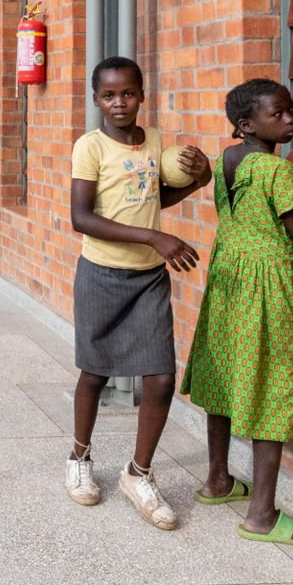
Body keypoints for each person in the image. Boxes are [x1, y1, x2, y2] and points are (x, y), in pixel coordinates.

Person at [185, 79, 293, 547]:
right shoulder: (278, 171)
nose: (290, 120)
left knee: (224, 375)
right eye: (277, 114)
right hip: (269, 288)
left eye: (290, 110)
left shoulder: (227, 160)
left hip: (229, 280)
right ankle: (261, 514)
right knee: (271, 387)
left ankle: (218, 479)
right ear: (247, 124)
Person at [65, 55, 211, 523]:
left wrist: (201, 179)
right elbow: (81, 217)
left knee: (161, 379)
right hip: (101, 273)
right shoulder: (90, 147)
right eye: (109, 95)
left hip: (148, 278)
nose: (119, 102)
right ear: (96, 100)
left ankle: (138, 473)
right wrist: (155, 237)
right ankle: (80, 457)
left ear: (142, 95)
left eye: (128, 93)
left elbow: (153, 197)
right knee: (95, 372)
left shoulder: (156, 142)